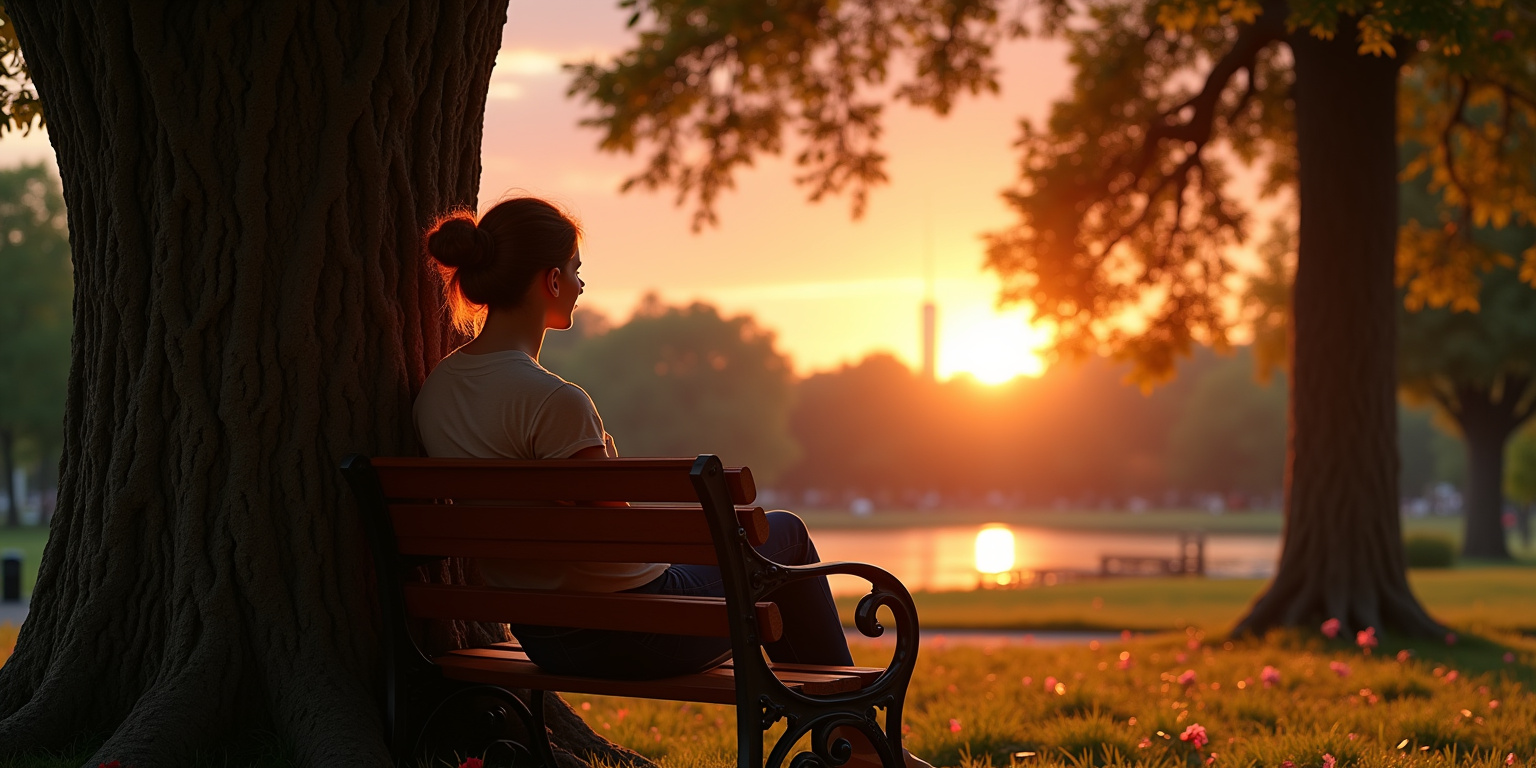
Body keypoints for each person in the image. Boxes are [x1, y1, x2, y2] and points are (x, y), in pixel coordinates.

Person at [413, 197, 929, 768]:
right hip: (635, 633)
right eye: (577, 270)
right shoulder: (555, 402)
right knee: (785, 536)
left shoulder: (435, 395)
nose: (582, 285)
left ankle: (847, 743)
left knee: (764, 551)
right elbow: (623, 534)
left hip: (544, 633)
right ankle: (858, 746)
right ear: (551, 280)